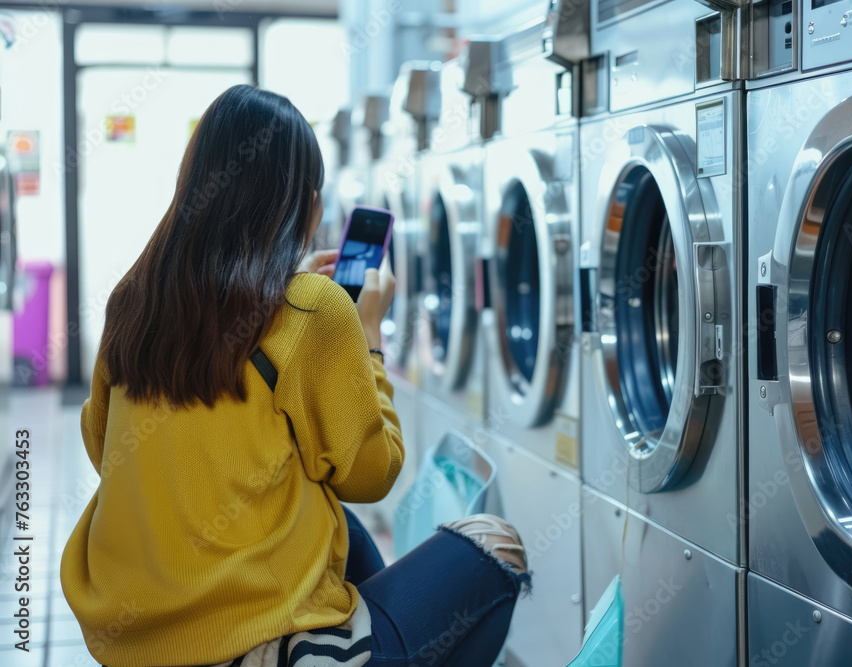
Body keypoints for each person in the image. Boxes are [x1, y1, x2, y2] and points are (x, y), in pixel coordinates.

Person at [59, 84, 529, 667]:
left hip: (133, 640)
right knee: (496, 544)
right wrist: (368, 337)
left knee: (342, 528)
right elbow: (372, 472)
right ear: (305, 204)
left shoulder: (134, 300)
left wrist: (291, 296)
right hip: (263, 648)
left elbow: (103, 446)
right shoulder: (316, 311)